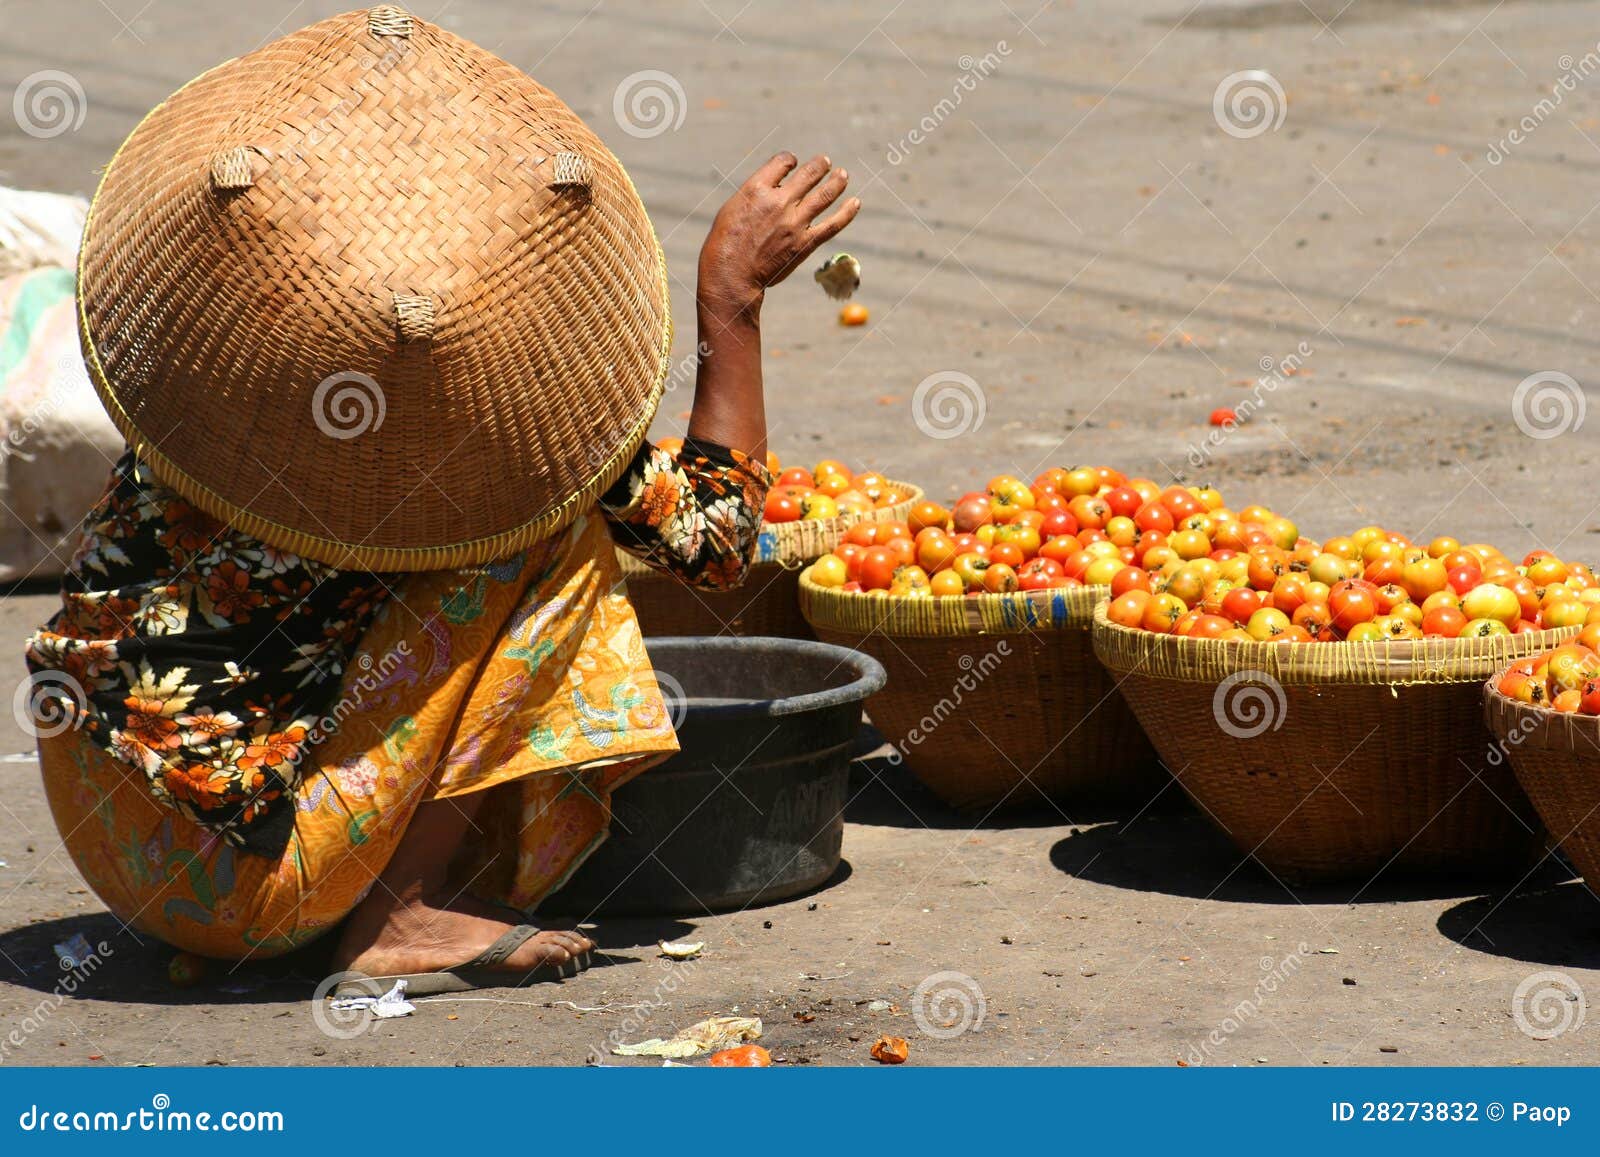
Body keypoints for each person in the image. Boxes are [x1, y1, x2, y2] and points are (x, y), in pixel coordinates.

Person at [21, 8, 857, 994]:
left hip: (99, 812)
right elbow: (714, 544)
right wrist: (732, 299)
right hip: (244, 886)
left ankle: (397, 879)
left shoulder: (229, 380)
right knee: (553, 541)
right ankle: (402, 914)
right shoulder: (518, 438)